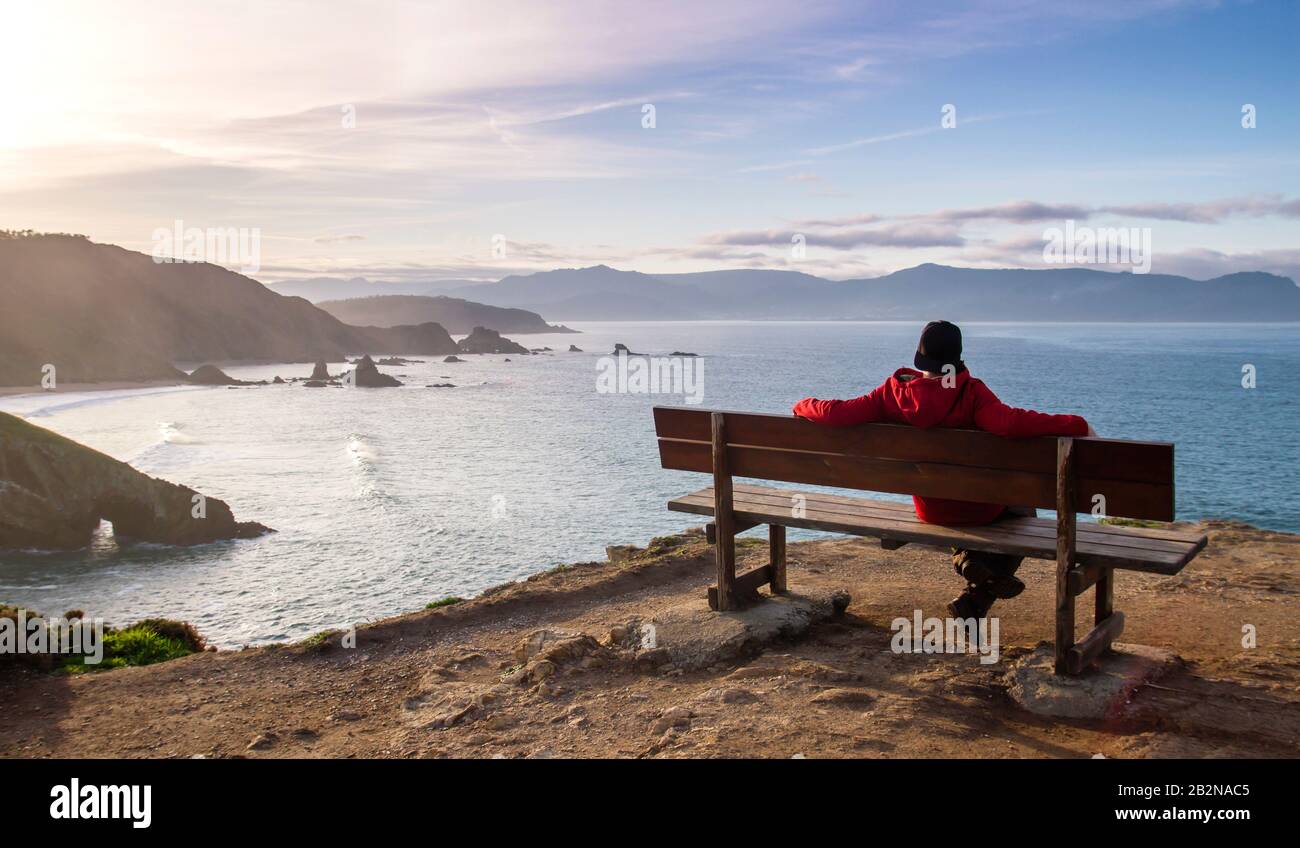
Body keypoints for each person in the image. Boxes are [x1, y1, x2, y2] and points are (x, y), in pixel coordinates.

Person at [792, 320, 1093, 619]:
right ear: (958, 357)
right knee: (1025, 512)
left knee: (948, 492)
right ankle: (972, 577)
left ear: (919, 357)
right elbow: (1011, 422)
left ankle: (973, 588)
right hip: (979, 511)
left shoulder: (892, 393)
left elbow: (838, 413)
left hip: (930, 509)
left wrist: (803, 405)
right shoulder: (971, 393)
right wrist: (1078, 425)